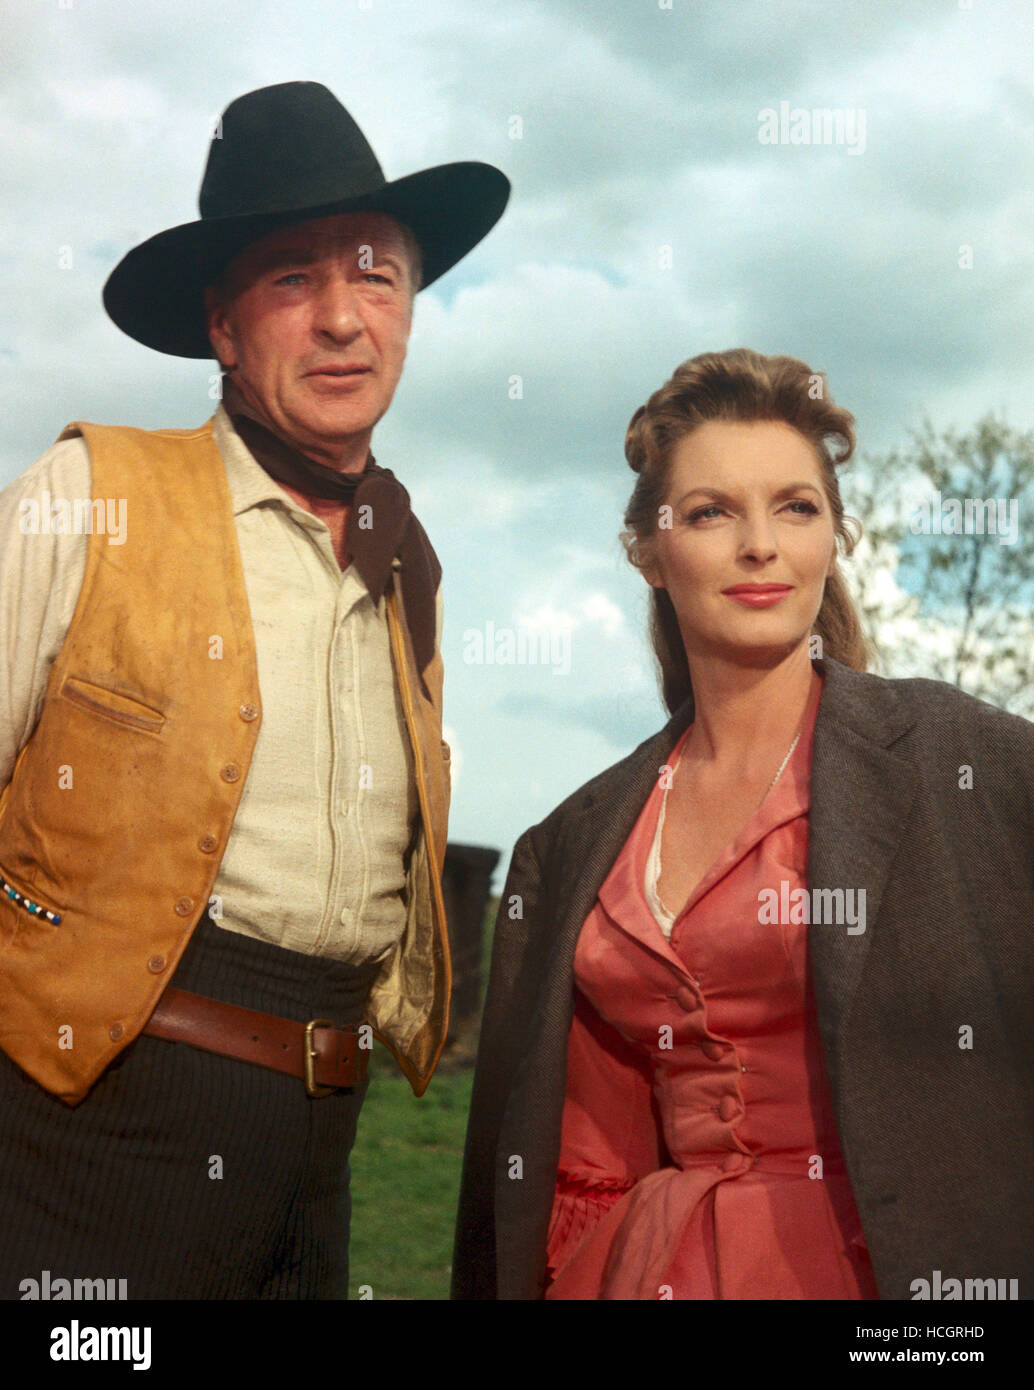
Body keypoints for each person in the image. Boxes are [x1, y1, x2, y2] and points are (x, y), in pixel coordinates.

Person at [0, 80, 508, 1299]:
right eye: (292, 278)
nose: (343, 317)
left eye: (375, 274)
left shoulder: (407, 567)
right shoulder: (88, 493)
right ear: (224, 328)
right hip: (81, 1135)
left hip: (317, 1154)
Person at [452, 348, 1034, 1300]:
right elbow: (566, 1165)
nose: (760, 544)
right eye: (713, 511)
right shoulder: (571, 843)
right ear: (647, 547)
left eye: (796, 507)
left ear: (834, 538)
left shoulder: (964, 761)